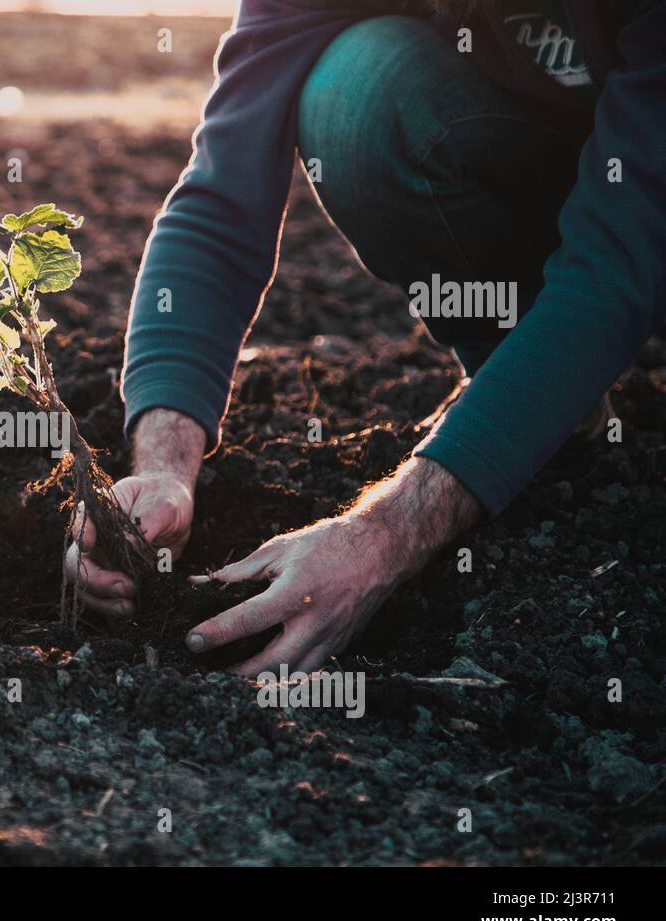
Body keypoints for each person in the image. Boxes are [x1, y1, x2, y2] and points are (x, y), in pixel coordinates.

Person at [67, 0, 665, 675]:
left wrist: (385, 534)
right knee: (357, 93)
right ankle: (538, 398)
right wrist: (164, 465)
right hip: (559, 158)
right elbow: (222, 200)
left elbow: (620, 269)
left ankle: (525, 411)